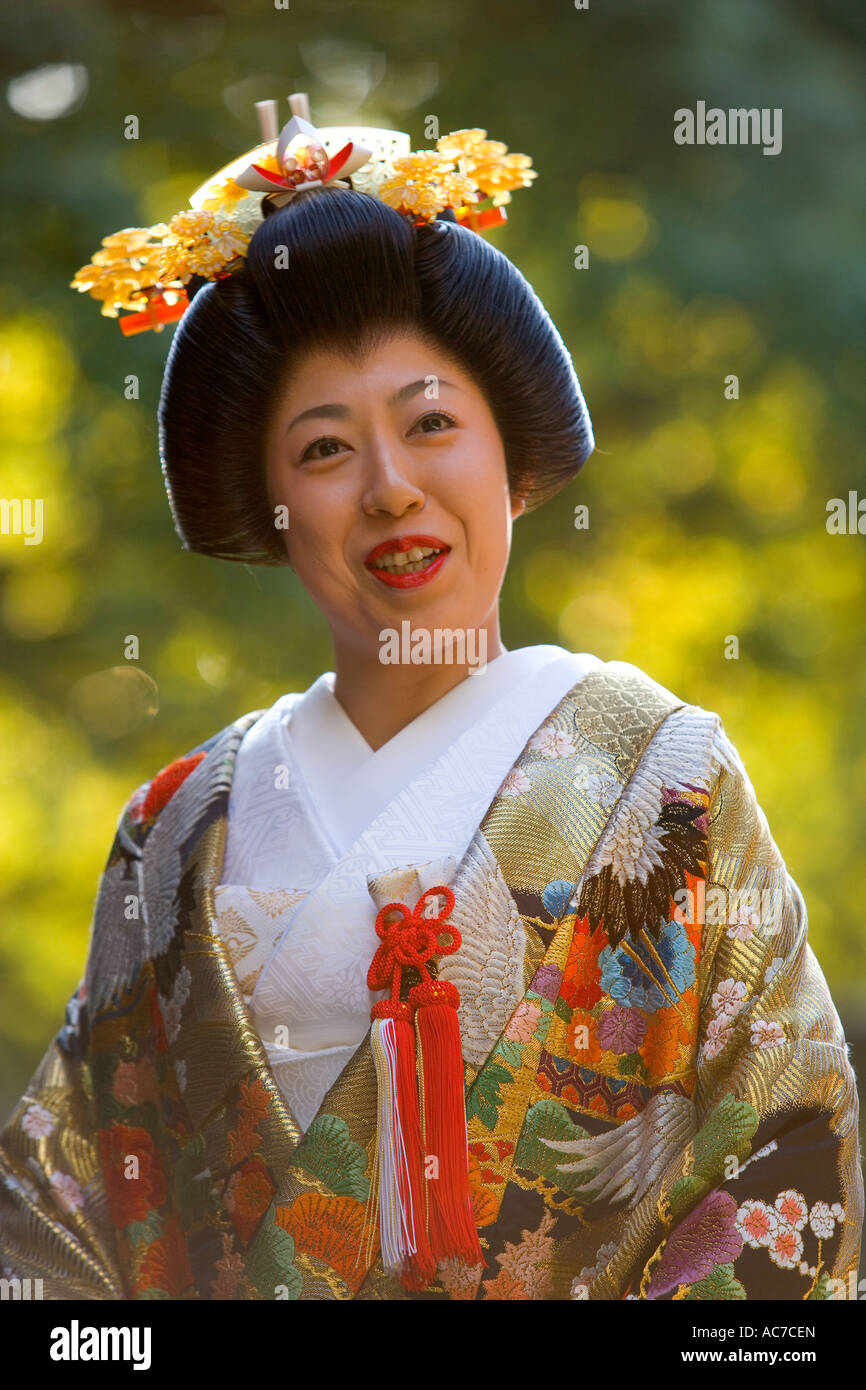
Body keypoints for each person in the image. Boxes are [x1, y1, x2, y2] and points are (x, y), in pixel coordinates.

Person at [0, 95, 861, 1302]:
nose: (391, 486)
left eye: (431, 424)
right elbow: (60, 1210)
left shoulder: (663, 778)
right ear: (271, 510)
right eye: (322, 449)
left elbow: (786, 1156)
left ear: (511, 461)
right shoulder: (177, 824)